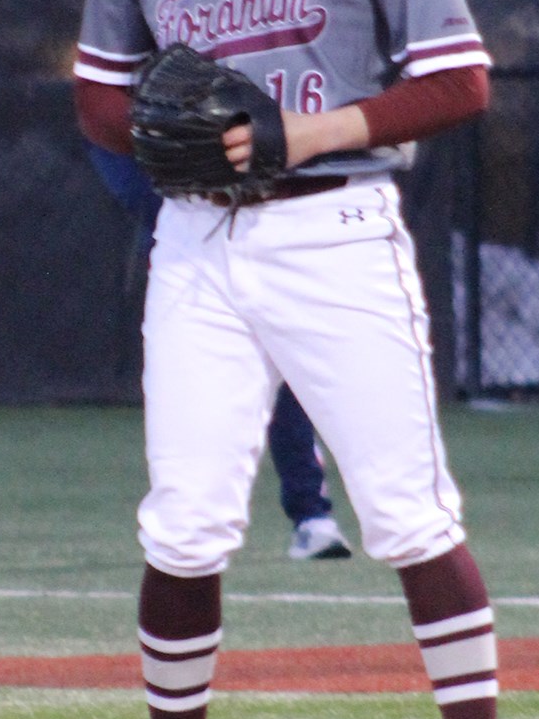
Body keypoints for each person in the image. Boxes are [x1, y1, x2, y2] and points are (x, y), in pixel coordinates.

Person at [73, 0, 499, 719]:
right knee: (183, 524)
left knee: (406, 513)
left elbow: (457, 83)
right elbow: (98, 99)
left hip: (337, 229)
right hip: (198, 247)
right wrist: (160, 137)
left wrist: (302, 134)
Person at [85, 141, 354, 562]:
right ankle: (189, 528)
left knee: (287, 378)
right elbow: (126, 172)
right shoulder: (125, 96)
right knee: (192, 402)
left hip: (268, 242)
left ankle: (312, 517)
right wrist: (200, 208)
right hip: (189, 257)